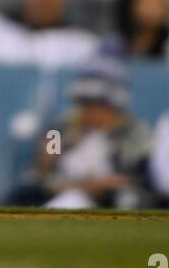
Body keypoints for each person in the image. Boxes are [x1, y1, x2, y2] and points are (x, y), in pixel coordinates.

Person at [9, 59, 154, 210]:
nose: (89, 111)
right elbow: (44, 172)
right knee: (24, 193)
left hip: (107, 197)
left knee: (128, 199)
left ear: (115, 105)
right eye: (84, 104)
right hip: (62, 192)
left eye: (97, 105)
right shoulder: (60, 128)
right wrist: (48, 160)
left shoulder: (135, 132)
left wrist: (103, 184)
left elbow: (140, 178)